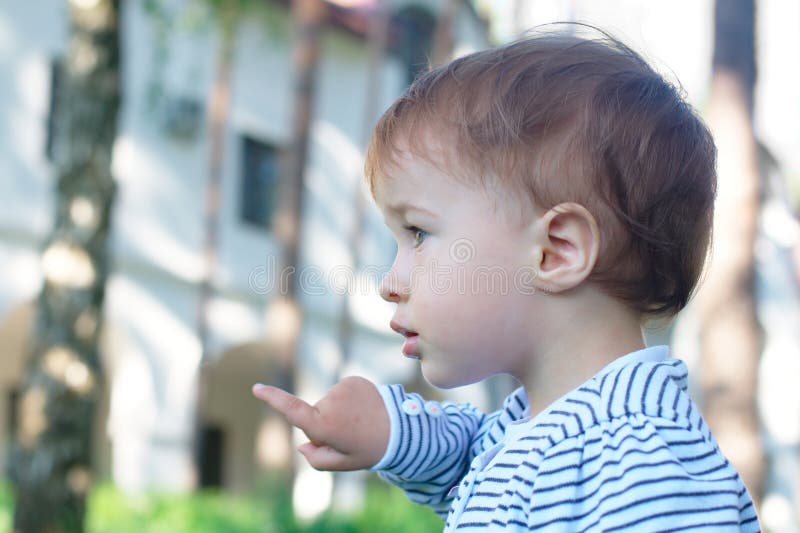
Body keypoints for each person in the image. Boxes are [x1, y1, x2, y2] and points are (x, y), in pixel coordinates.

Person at [252, 26, 761, 531]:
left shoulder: (643, 465)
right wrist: (390, 433)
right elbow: (467, 460)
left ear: (555, 251)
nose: (390, 281)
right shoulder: (537, 434)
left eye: (419, 233)